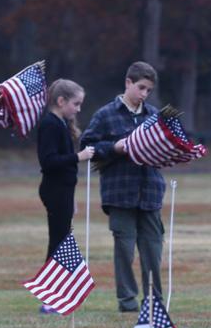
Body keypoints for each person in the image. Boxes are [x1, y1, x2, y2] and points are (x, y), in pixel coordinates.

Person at [80, 61, 167, 312]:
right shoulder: (105, 114)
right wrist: (116, 148)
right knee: (125, 251)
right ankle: (127, 301)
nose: (144, 94)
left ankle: (154, 301)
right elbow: (88, 147)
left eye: (148, 90)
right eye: (141, 87)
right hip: (119, 193)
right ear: (128, 82)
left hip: (150, 191)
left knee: (153, 250)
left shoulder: (154, 115)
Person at [35, 79, 95, 313]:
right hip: (54, 190)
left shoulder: (60, 123)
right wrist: (79, 156)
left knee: (62, 241)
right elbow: (48, 162)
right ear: (61, 101)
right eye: (76, 104)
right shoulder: (50, 124)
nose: (79, 109)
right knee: (58, 243)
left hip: (64, 192)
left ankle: (57, 294)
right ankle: (49, 297)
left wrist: (71, 199)